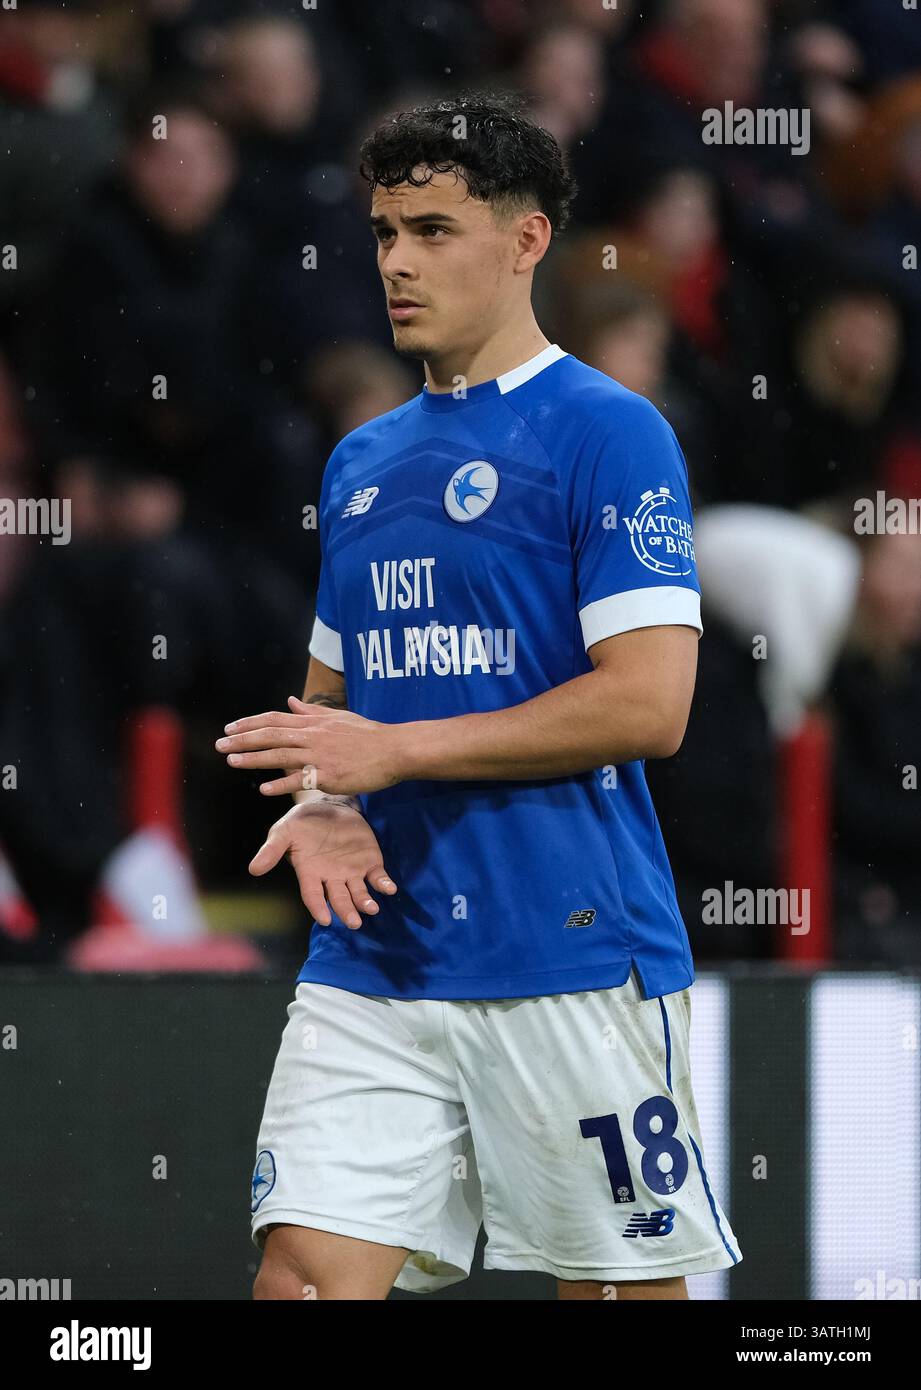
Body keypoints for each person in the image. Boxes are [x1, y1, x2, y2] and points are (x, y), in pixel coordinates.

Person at [216, 91, 741, 1300]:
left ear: (527, 240)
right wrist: (324, 796)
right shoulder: (362, 460)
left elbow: (648, 706)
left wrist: (394, 758)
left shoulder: (613, 435)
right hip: (378, 960)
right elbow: (331, 704)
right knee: (297, 1280)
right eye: (386, 232)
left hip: (570, 947)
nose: (398, 261)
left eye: (435, 230)